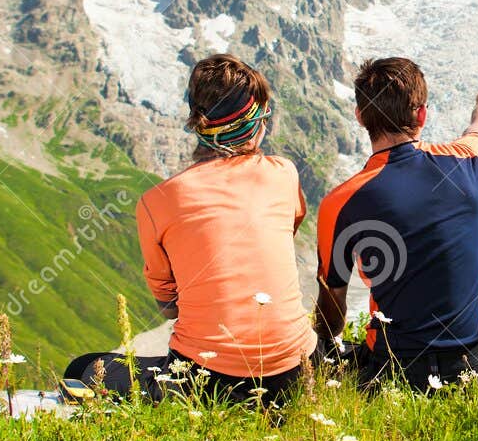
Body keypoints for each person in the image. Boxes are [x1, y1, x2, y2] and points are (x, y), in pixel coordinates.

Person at [63, 54, 316, 407]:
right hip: (294, 372)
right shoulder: (284, 173)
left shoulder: (156, 202)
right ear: (257, 123)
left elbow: (170, 308)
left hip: (207, 382)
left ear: (197, 122)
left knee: (84, 368)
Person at [315, 57, 478, 392]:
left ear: (360, 117)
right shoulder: (465, 163)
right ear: (422, 114)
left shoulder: (340, 203)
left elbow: (331, 311)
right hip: (474, 364)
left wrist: (322, 348)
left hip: (395, 370)